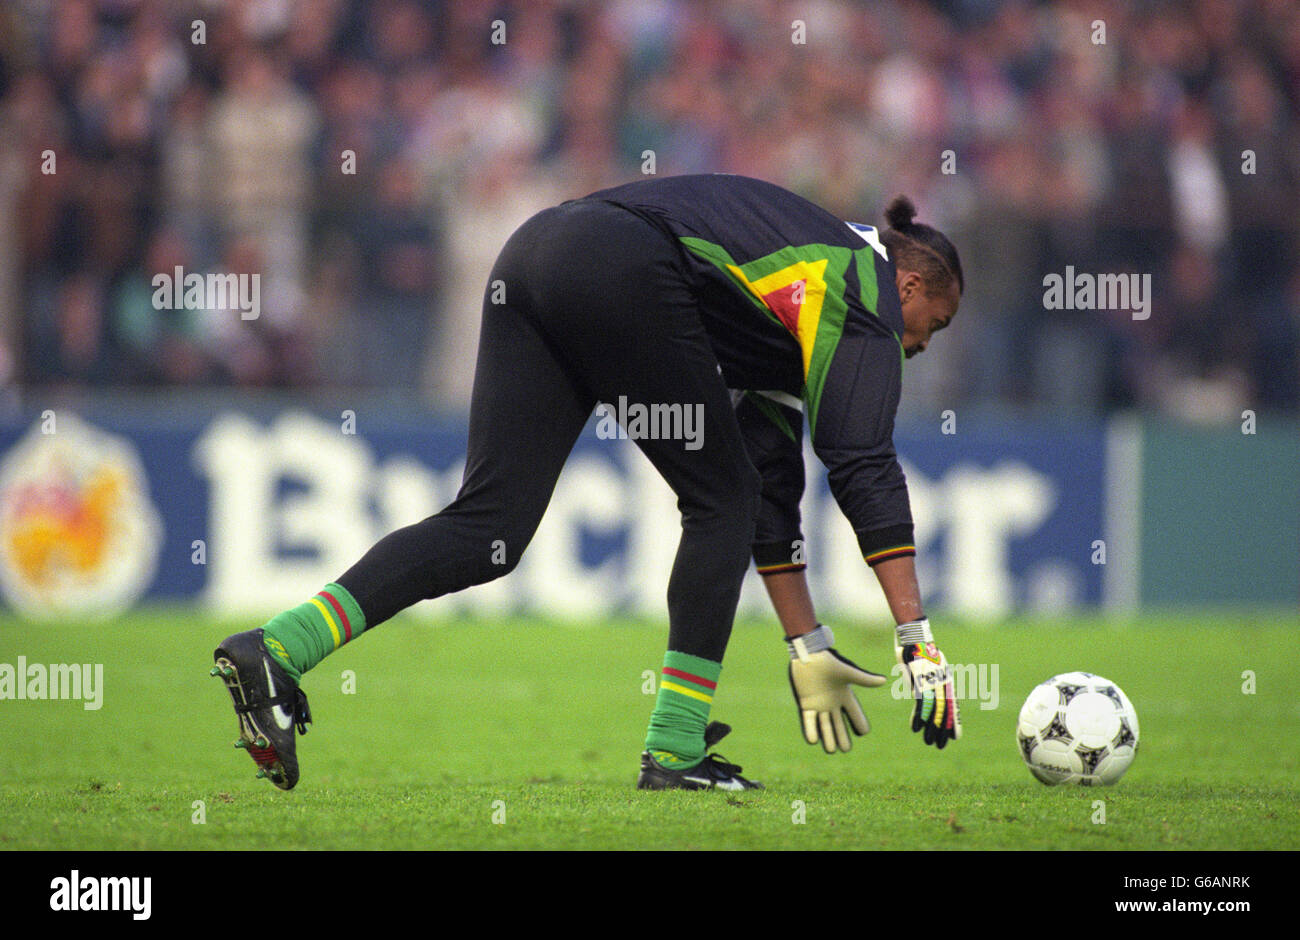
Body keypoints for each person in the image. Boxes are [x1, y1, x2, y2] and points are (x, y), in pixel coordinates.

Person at [210, 173, 964, 791]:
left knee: (489, 531)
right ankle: (673, 753)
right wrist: (917, 643)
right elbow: (860, 460)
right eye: (936, 319)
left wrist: (808, 645)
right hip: (618, 266)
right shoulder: (863, 289)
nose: (925, 343)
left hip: (539, 254)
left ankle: (277, 648)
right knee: (718, 499)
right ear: (908, 283)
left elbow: (772, 496)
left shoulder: (807, 295)